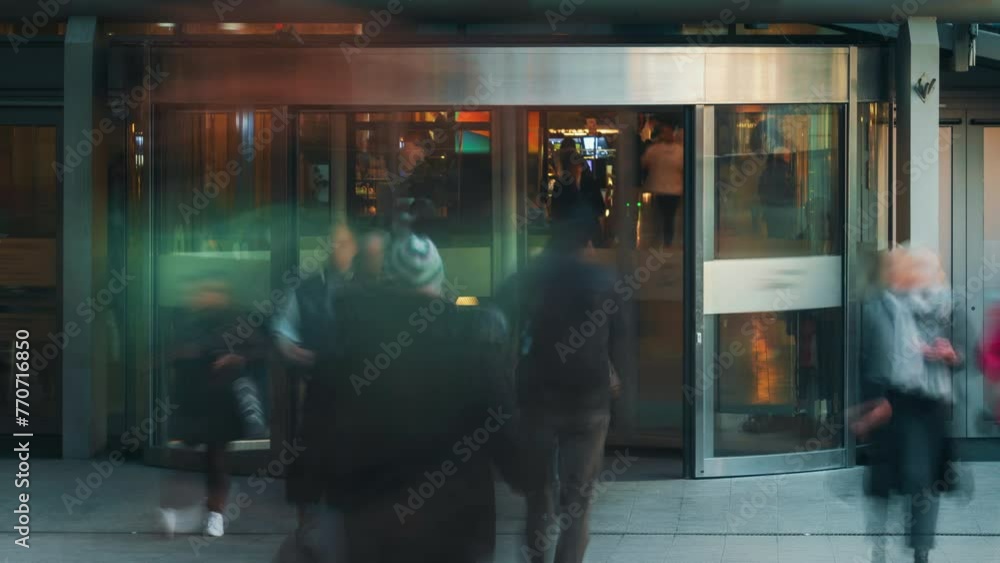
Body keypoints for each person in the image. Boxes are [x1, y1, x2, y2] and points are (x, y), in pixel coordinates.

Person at [310, 232, 517, 562]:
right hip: (457, 515)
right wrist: (523, 470)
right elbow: (500, 415)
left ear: (390, 280)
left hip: (372, 510)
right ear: (439, 278)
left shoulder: (352, 335)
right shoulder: (473, 335)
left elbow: (322, 414)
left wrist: (309, 485)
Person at [498, 212, 620, 563]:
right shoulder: (602, 279)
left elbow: (500, 314)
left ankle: (537, 558)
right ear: (586, 244)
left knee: (538, 495)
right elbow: (625, 331)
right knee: (577, 500)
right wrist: (612, 370)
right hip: (589, 402)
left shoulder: (530, 275)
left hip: (537, 398)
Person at [859, 247, 967, 563]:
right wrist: (872, 401)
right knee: (883, 483)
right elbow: (868, 357)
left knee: (922, 483)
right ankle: (878, 545)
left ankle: (920, 551)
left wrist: (951, 354)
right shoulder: (879, 307)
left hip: (928, 409)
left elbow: (963, 354)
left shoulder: (946, 307)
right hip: (891, 404)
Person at [159, 273, 267, 538]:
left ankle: (215, 514)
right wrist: (182, 355)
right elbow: (170, 353)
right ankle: (176, 510)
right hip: (192, 400)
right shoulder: (186, 321)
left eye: (213, 291)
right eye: (203, 290)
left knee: (216, 460)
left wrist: (235, 358)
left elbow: (260, 351)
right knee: (184, 457)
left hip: (221, 401)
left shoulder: (237, 321)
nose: (206, 295)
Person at [274, 222, 358, 524]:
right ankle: (309, 528)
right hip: (318, 389)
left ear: (354, 248)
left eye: (343, 243)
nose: (337, 249)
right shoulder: (307, 288)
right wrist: (297, 353)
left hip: (362, 393)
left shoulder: (369, 287)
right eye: (333, 244)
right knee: (311, 461)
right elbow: (284, 331)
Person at [550, 140, 606, 246]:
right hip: (584, 238)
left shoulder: (561, 185)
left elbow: (556, 214)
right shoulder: (589, 182)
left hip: (570, 240)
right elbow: (600, 209)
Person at [641, 122, 684, 247]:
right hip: (665, 189)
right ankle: (665, 242)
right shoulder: (676, 151)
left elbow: (644, 163)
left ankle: (664, 242)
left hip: (669, 189)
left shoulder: (657, 150)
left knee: (665, 217)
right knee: (666, 217)